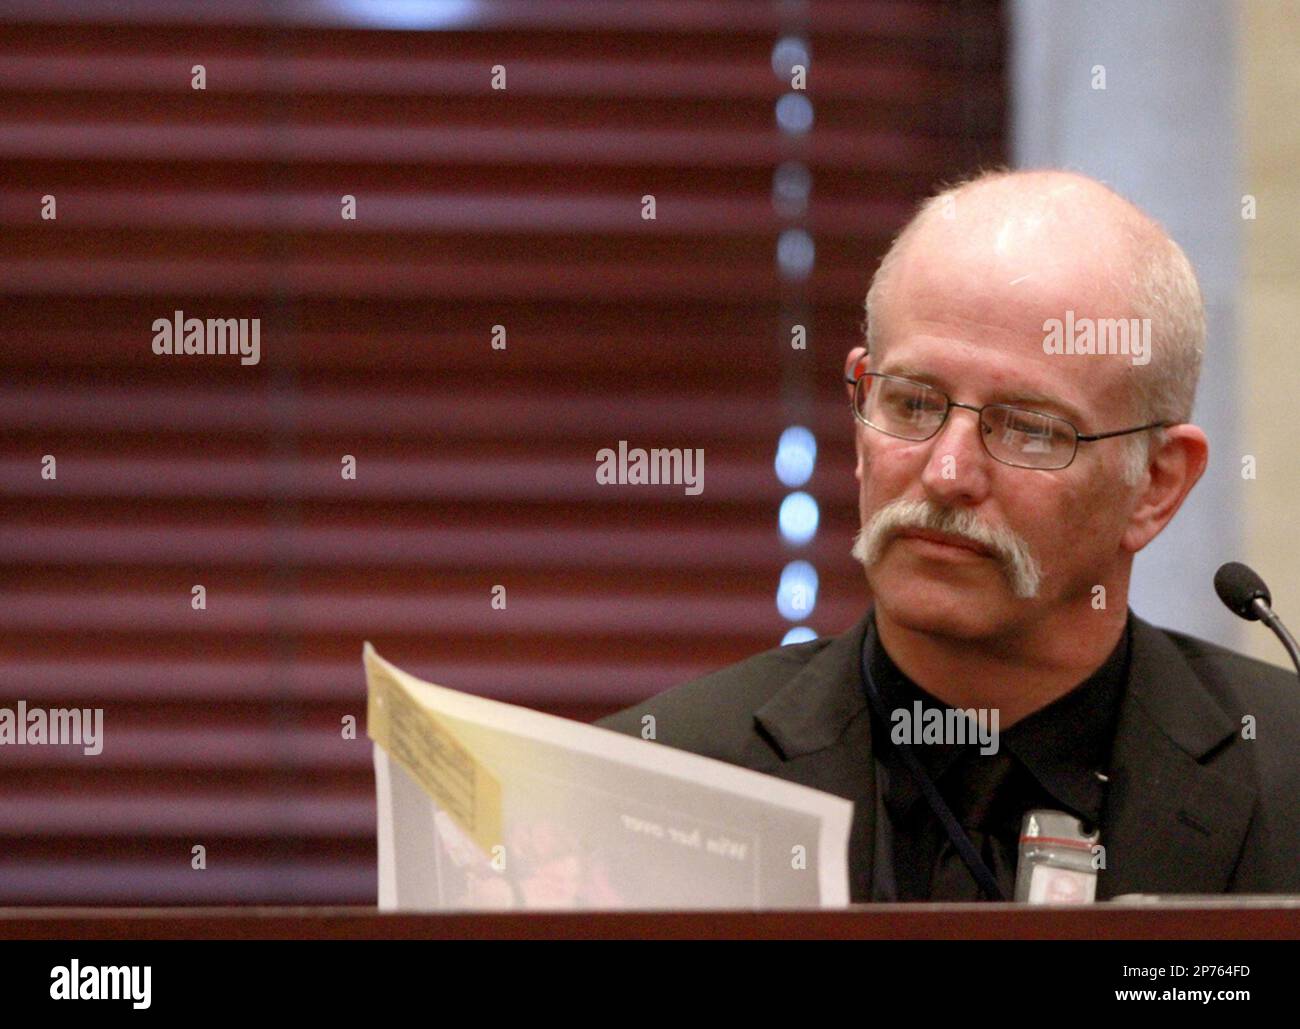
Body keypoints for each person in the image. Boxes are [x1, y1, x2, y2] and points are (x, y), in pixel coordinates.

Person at [596, 169, 1300, 902]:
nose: (948, 470)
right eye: (911, 402)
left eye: (1029, 427)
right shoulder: (654, 784)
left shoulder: (1283, 780)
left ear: (1155, 485)